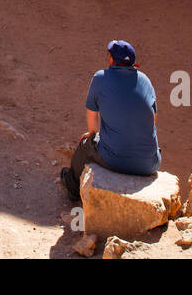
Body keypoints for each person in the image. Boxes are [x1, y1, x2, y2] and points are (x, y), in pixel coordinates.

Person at [61, 39, 161, 202]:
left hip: (116, 160)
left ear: (112, 60)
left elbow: (92, 116)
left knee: (86, 145)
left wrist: (92, 134)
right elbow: (153, 118)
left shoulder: (100, 78)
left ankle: (72, 187)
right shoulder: (145, 81)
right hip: (149, 162)